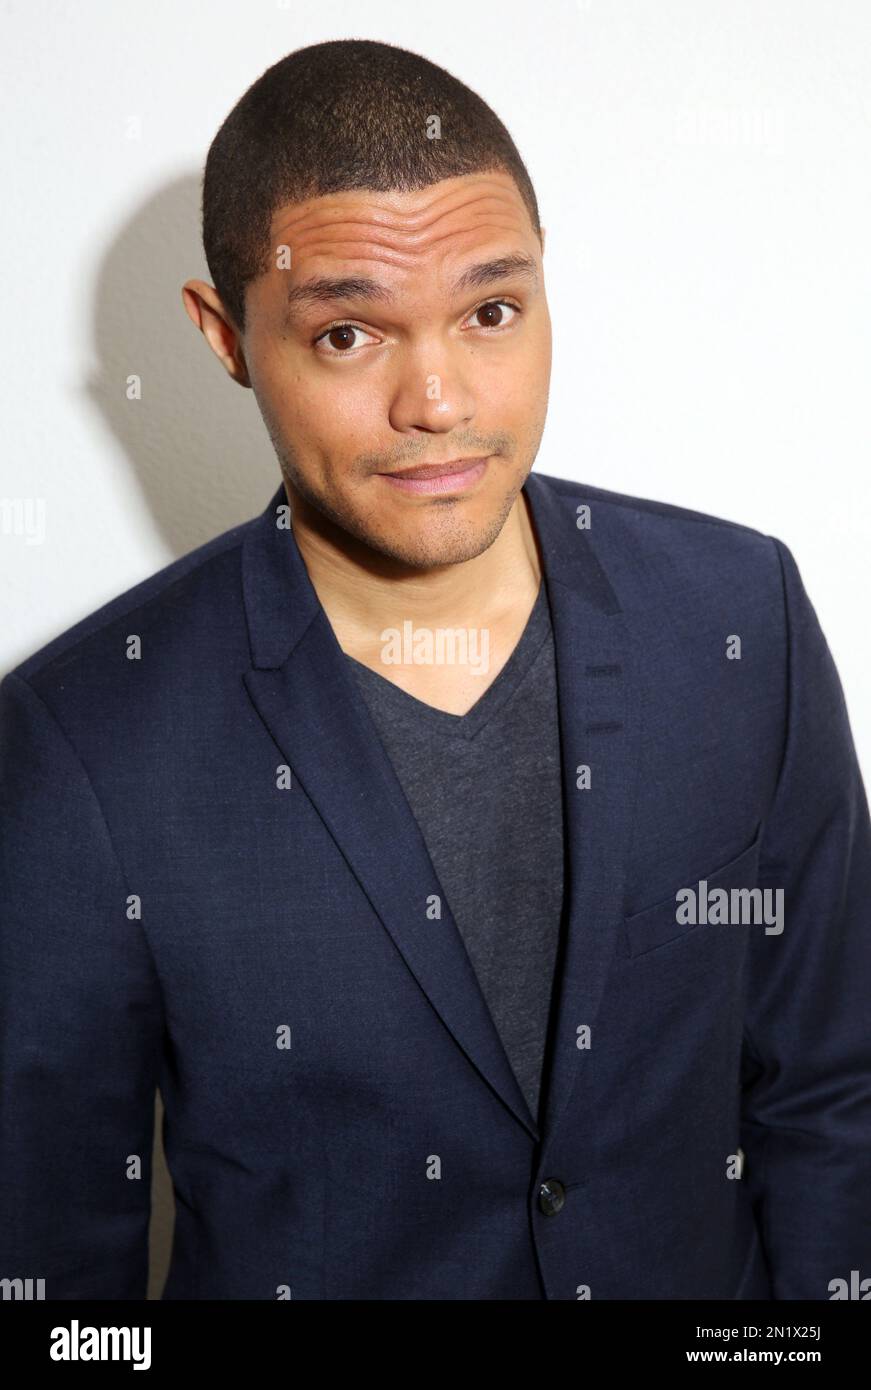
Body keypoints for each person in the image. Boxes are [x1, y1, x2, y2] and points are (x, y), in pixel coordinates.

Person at [1, 37, 869, 1302]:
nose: (439, 399)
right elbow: (48, 1266)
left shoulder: (739, 620)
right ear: (226, 334)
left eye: (491, 311)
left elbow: (832, 1089)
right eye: (350, 332)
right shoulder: (82, 740)